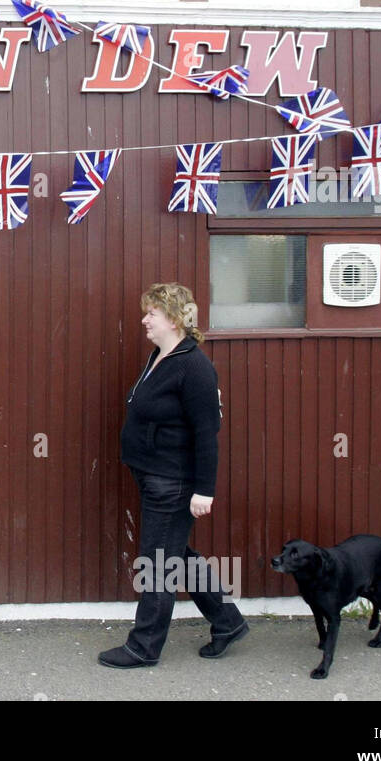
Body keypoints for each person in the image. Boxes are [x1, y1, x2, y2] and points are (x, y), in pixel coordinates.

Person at [99, 282, 248, 668]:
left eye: (152, 313)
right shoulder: (159, 357)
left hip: (173, 481)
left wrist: (204, 490)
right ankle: (227, 621)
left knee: (156, 563)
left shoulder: (194, 366)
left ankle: (143, 646)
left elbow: (206, 432)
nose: (144, 319)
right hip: (152, 475)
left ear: (175, 319)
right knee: (174, 555)